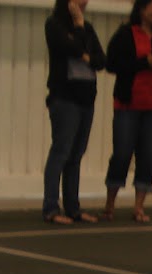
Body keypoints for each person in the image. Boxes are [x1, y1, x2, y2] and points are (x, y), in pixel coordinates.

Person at [102, 0, 152, 224]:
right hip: (128, 104)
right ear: (142, 9)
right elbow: (113, 64)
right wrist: (146, 62)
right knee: (122, 154)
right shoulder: (125, 34)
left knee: (148, 156)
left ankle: (139, 206)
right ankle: (109, 205)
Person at [42, 0, 107, 225]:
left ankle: (73, 208)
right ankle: (51, 208)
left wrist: (86, 54)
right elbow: (73, 48)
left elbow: (100, 60)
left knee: (76, 156)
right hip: (64, 99)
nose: (84, 2)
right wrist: (78, 27)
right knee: (60, 151)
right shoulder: (54, 25)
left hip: (86, 100)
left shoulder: (88, 29)